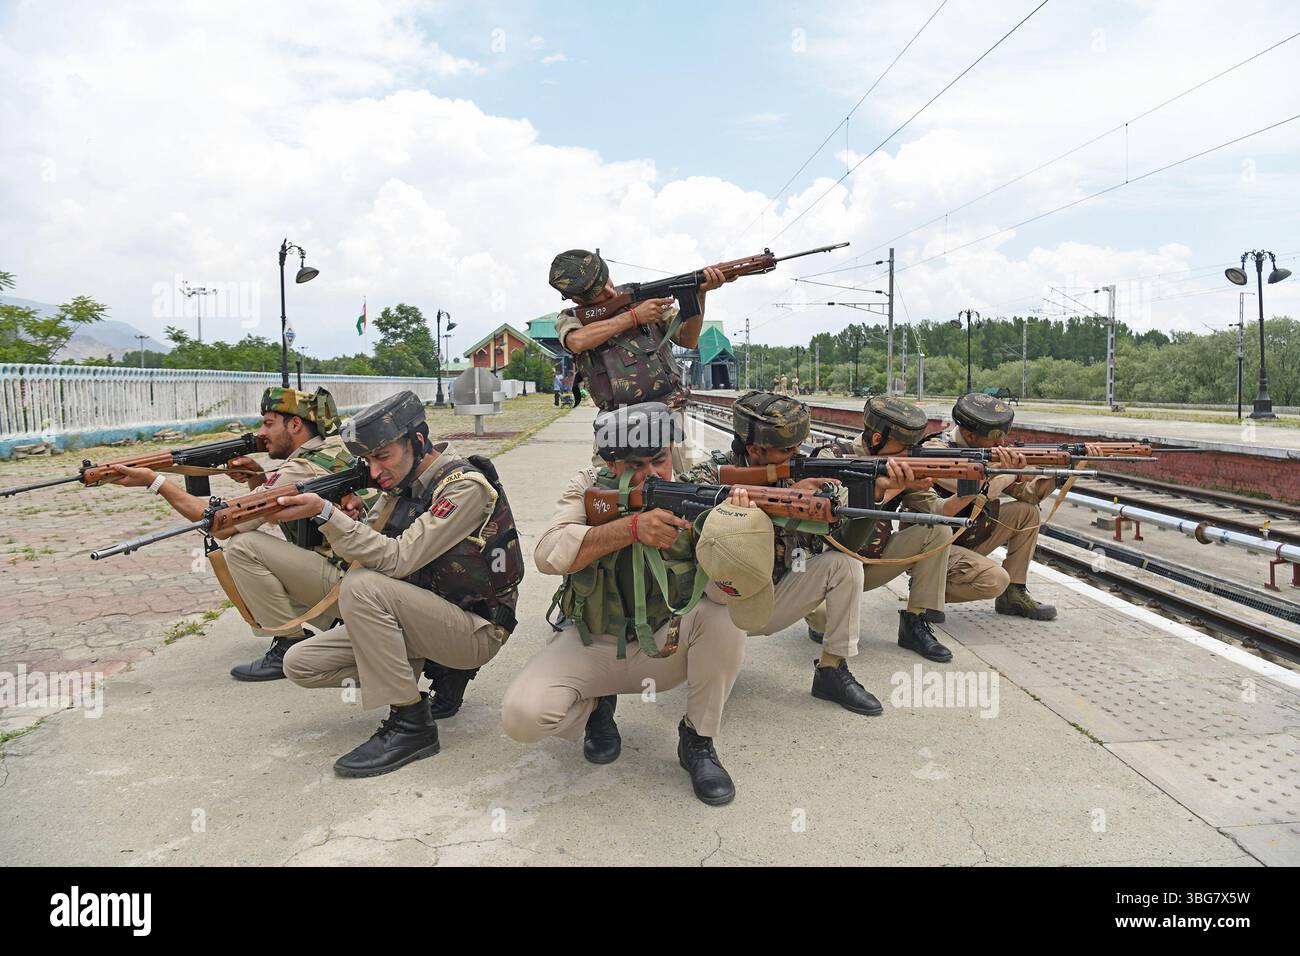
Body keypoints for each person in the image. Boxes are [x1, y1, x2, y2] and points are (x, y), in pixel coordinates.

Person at [502, 402, 751, 805]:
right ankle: (597, 706)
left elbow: (725, 593)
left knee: (724, 617)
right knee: (522, 717)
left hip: (664, 641)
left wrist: (738, 535)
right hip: (593, 641)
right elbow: (548, 553)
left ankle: (698, 740)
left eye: (659, 460)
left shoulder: (695, 485)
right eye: (636, 464)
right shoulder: (587, 486)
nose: (652, 474)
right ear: (611, 464)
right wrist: (630, 528)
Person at [271, 390, 524, 777]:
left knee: (364, 587)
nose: (374, 472)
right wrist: (345, 519)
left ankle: (410, 724)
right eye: (368, 460)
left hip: (476, 628)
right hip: (424, 619)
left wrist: (324, 513)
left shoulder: (463, 487)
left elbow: (398, 558)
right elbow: (360, 554)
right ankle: (428, 675)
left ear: (418, 442)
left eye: (382, 456)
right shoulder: (400, 488)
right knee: (301, 663)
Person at [104, 386, 358, 681]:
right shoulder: (329, 453)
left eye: (268, 423)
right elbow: (276, 516)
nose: (261, 433)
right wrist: (259, 480)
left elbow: (222, 526)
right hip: (356, 577)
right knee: (257, 556)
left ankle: (289, 644)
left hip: (349, 588)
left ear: (296, 424)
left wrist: (155, 482)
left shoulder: (298, 470)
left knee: (242, 547)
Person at [690, 391, 885, 715]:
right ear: (754, 449)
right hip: (717, 609)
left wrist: (870, 499)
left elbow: (849, 544)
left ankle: (831, 670)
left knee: (844, 565)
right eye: (787, 450)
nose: (798, 456)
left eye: (799, 446)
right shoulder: (710, 475)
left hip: (773, 598)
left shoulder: (806, 477)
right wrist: (765, 503)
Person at [548, 248, 732, 472]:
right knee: (610, 490)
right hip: (617, 422)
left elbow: (688, 339)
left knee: (685, 485)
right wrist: (634, 317)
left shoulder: (641, 296)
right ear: (577, 298)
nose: (609, 290)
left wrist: (700, 295)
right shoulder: (571, 318)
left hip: (668, 412)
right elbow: (577, 341)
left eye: (607, 280)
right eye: (599, 291)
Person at [805, 396, 957, 663]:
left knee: (938, 531)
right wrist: (889, 488)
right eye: (903, 450)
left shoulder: (898, 466)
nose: (908, 457)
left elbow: (939, 510)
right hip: (827, 569)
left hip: (871, 562)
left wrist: (976, 489)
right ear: (877, 440)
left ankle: (914, 621)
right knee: (824, 618)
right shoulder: (834, 456)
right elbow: (835, 511)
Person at [926, 393, 1057, 620]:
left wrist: (1057, 470)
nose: (1001, 444)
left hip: (970, 536)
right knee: (995, 579)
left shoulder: (989, 452)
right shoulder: (936, 449)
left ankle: (1013, 594)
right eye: (995, 438)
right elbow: (973, 490)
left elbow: (1028, 496)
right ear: (969, 434)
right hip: (935, 546)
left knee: (1027, 512)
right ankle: (926, 593)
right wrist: (1010, 473)